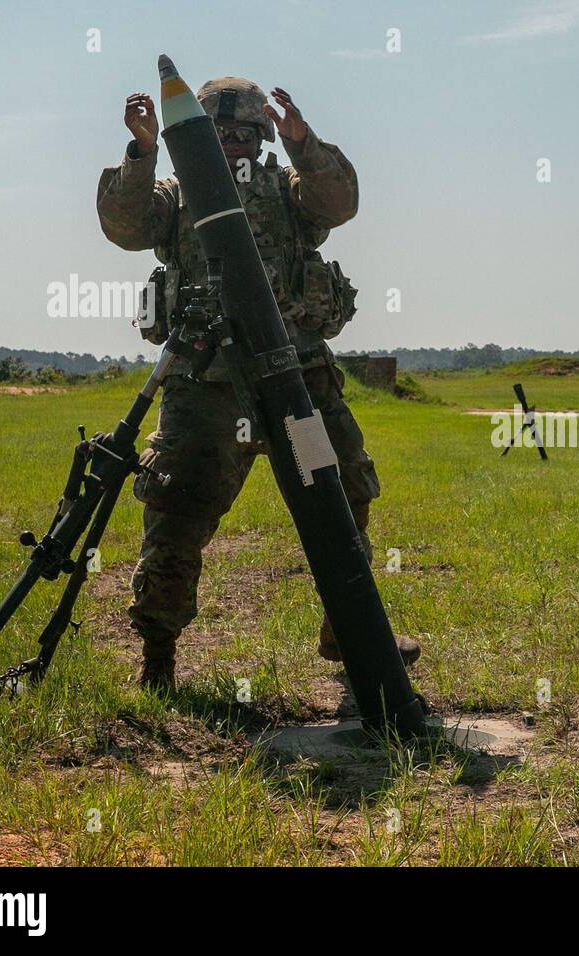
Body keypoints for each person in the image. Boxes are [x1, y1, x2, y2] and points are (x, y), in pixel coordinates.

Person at [96, 76, 418, 689]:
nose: (234, 144)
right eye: (220, 134)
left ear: (264, 137)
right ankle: (157, 658)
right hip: (207, 386)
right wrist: (140, 155)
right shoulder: (175, 197)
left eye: (247, 132)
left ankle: (353, 639)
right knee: (176, 512)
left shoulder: (289, 190)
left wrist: (306, 142)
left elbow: (339, 201)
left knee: (343, 496)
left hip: (299, 383)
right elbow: (124, 227)